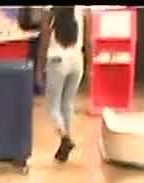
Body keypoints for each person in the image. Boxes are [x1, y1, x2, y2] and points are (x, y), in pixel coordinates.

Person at [37, 6, 85, 163]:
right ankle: (65, 146)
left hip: (57, 59)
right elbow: (88, 37)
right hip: (77, 59)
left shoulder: (49, 9)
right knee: (67, 105)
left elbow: (45, 36)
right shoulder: (80, 9)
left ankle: (65, 138)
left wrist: (40, 66)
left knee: (52, 106)